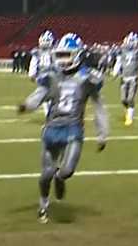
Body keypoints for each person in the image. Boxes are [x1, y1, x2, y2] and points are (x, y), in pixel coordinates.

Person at [17, 33, 109, 224]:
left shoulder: (87, 78)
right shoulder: (52, 76)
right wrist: (27, 105)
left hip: (73, 129)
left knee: (66, 171)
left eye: (66, 54)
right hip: (51, 128)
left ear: (76, 54)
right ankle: (43, 207)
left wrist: (102, 133)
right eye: (59, 55)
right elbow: (39, 95)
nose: (62, 59)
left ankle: (60, 179)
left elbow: (99, 106)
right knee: (45, 174)